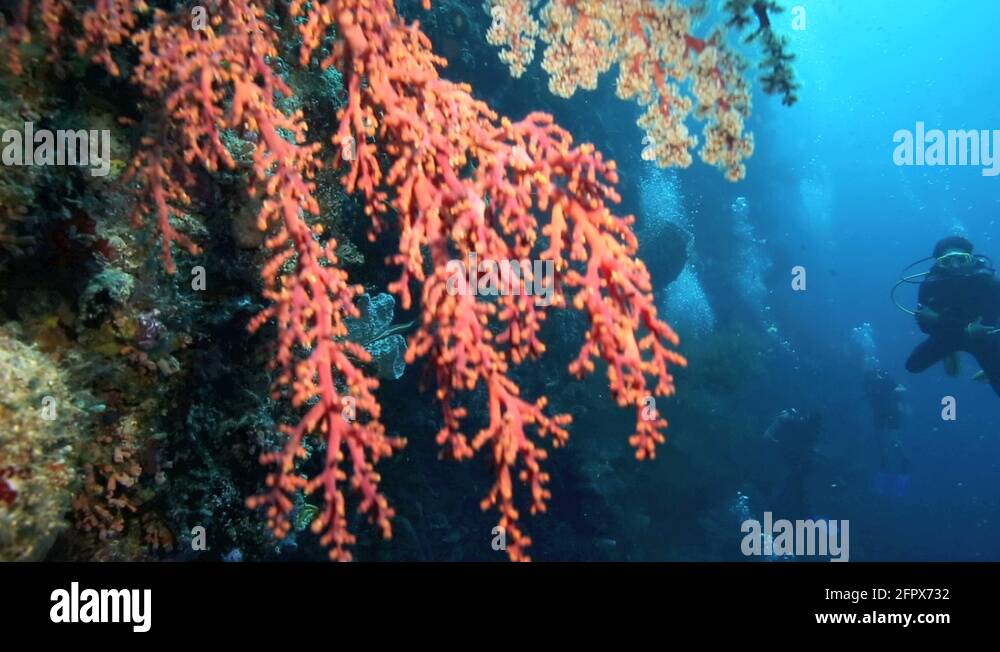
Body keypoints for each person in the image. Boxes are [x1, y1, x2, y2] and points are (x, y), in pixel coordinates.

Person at [905, 236, 1000, 397]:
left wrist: (938, 319)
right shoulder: (930, 285)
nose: (955, 266)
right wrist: (966, 330)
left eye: (961, 259)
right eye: (946, 261)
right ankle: (953, 353)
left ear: (971, 260)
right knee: (913, 366)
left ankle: (992, 369)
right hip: (948, 336)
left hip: (984, 337)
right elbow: (925, 325)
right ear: (938, 263)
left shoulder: (988, 282)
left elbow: (990, 322)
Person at [863, 367, 911, 497]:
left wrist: (901, 406)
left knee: (888, 440)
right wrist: (902, 406)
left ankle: (895, 462)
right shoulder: (876, 380)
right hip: (885, 411)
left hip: (885, 412)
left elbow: (898, 391)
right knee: (887, 440)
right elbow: (898, 391)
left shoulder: (877, 379)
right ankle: (894, 462)